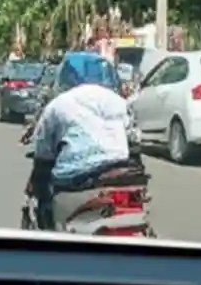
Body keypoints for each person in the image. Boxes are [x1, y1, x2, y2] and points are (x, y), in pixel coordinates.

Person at [25, 51, 136, 230]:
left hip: (75, 180)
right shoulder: (120, 103)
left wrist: (36, 184)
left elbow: (43, 156)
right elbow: (134, 140)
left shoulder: (58, 105)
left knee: (45, 201)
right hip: (121, 175)